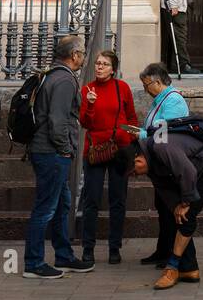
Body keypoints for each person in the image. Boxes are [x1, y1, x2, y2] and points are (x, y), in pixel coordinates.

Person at [23, 34, 92, 280]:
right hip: (51, 152)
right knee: (46, 208)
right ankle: (33, 263)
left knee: (62, 204)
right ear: (74, 55)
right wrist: (64, 148)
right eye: (82, 53)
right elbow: (58, 120)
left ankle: (64, 255)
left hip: (46, 150)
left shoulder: (51, 75)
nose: (84, 57)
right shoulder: (64, 79)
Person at [134, 120, 203, 289]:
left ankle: (173, 267)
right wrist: (175, 205)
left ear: (138, 160)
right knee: (174, 214)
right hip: (193, 173)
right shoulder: (150, 159)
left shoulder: (161, 148)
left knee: (187, 215)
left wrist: (185, 202)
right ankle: (189, 268)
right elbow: (162, 187)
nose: (136, 176)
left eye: (133, 172)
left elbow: (187, 172)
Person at [78, 49, 139, 267]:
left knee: (118, 200)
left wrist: (131, 140)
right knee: (91, 199)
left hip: (119, 148)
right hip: (95, 150)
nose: (99, 67)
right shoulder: (88, 90)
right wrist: (91, 104)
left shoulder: (121, 87)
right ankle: (88, 248)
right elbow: (85, 122)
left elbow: (131, 116)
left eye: (104, 64)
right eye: (97, 64)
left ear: (113, 69)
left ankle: (115, 247)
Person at [136, 62, 191, 267]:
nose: (145, 89)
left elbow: (165, 133)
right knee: (162, 207)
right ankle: (163, 250)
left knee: (169, 209)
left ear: (157, 82)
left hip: (169, 164)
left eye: (146, 85)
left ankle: (171, 252)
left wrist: (140, 134)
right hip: (160, 164)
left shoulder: (172, 100)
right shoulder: (160, 100)